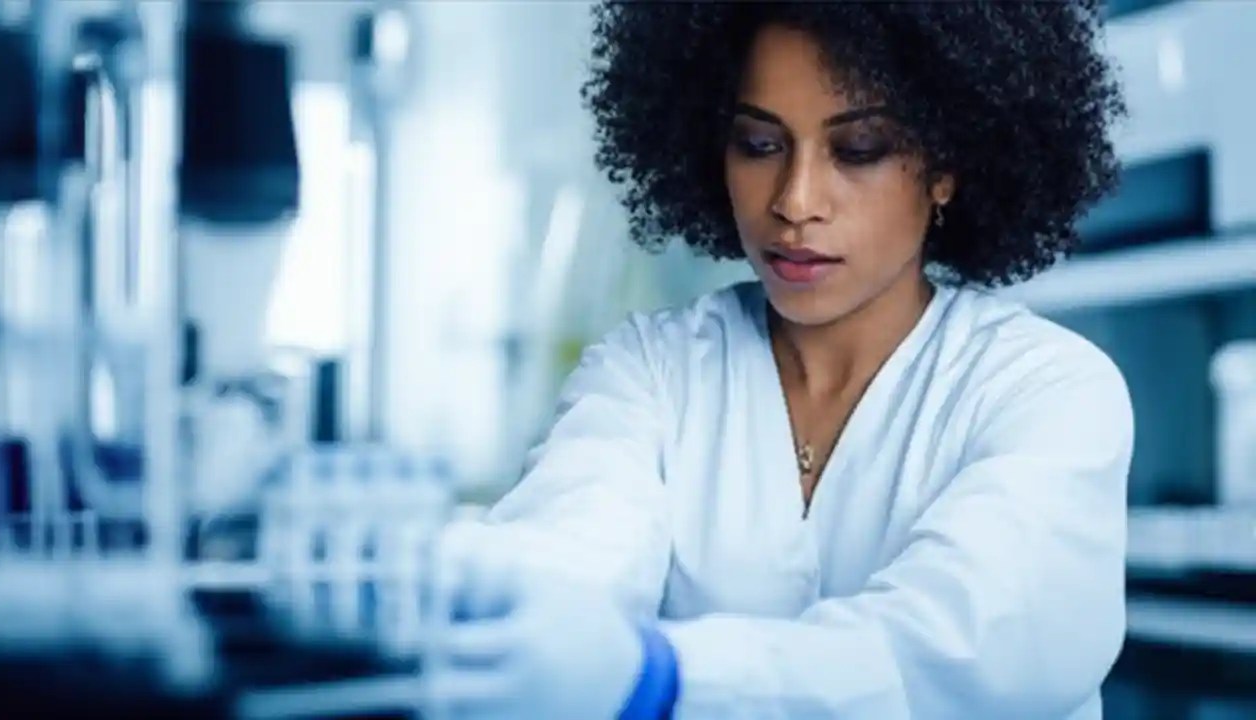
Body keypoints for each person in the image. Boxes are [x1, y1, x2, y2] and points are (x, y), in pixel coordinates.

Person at [436, 2, 1133, 718]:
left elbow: (953, 650)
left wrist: (665, 676)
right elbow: (569, 550)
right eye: (760, 144)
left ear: (945, 167)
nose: (795, 202)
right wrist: (496, 600)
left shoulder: (1047, 390)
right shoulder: (651, 371)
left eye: (858, 147)